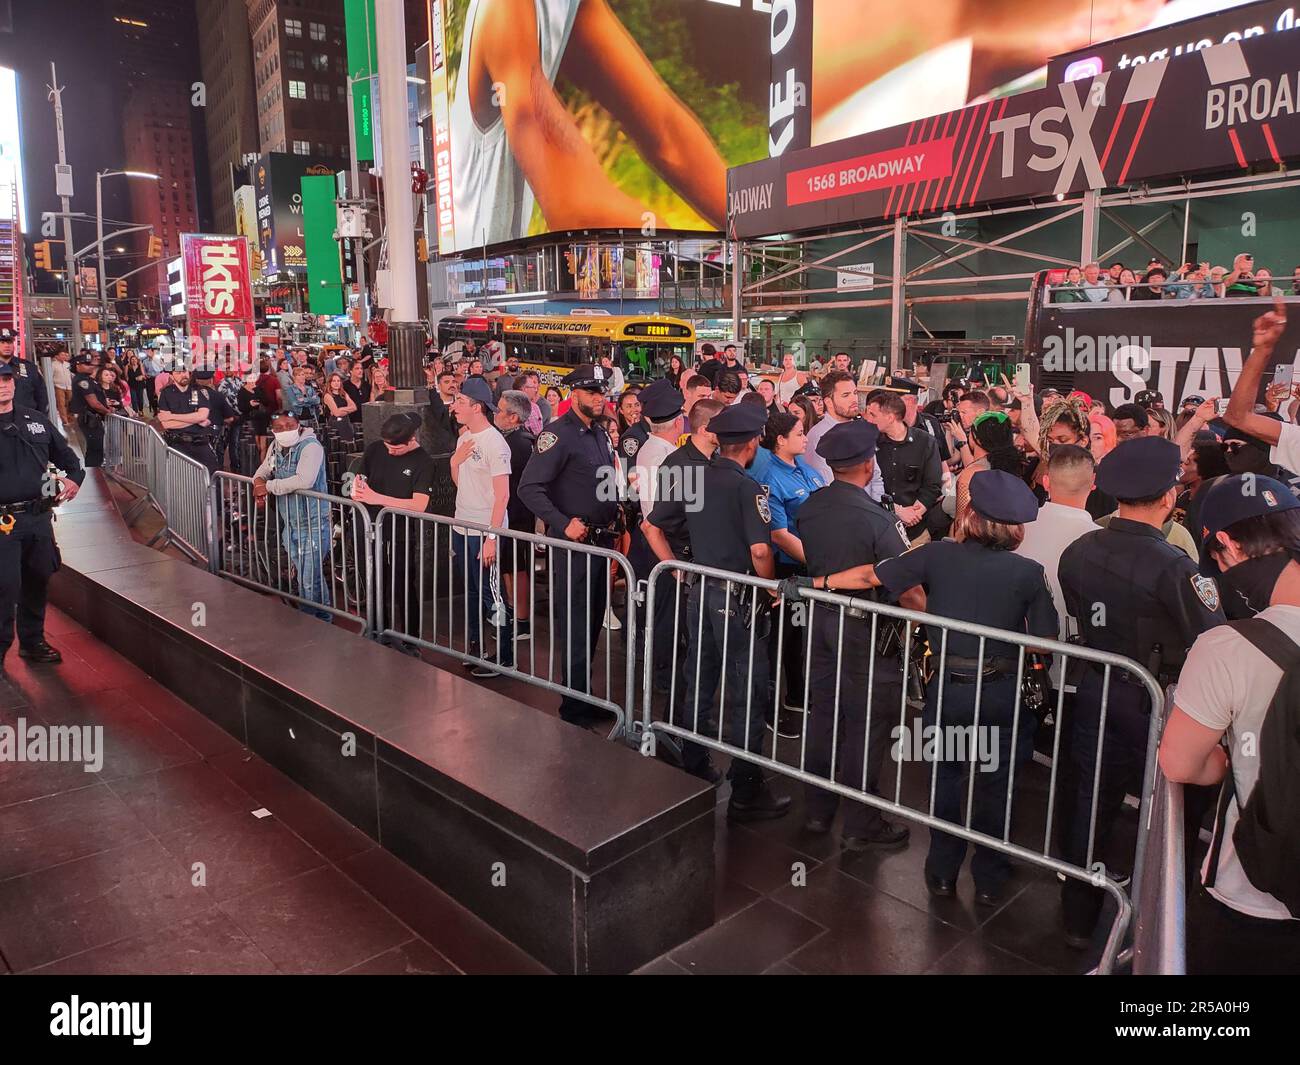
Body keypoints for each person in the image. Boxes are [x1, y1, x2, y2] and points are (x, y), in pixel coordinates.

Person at [1057, 435, 1227, 948]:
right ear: (1168, 497)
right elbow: (1211, 638)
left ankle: (1077, 914)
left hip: (1098, 688)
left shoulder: (1079, 549)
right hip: (1156, 699)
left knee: (1091, 797)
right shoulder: (1177, 566)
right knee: (1171, 809)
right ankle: (1160, 922)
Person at [870, 471, 1057, 904]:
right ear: (1015, 527)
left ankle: (941, 870)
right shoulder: (1029, 572)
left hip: (950, 689)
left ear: (970, 515)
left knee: (946, 779)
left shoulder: (937, 555)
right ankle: (989, 878)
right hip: (1003, 693)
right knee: (997, 784)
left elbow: (884, 576)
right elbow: (1046, 642)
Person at [1159, 475, 1300, 974]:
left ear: (1227, 546)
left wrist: (1223, 759)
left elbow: (1179, 762)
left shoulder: (1228, 647)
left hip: (1253, 895)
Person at [785, 420, 920, 850]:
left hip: (820, 620)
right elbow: (908, 585)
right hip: (864, 628)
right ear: (867, 464)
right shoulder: (876, 519)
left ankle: (819, 811)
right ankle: (861, 821)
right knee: (867, 722)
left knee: (823, 714)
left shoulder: (811, 507)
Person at [674, 401, 791, 821]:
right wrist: (769, 585)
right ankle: (746, 788)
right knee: (747, 689)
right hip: (737, 595)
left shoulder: (692, 479)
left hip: (698, 590)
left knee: (698, 678)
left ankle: (693, 763)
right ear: (753, 443)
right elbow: (760, 549)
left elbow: (657, 522)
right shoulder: (747, 489)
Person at [517, 363, 622, 730]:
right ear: (573, 393)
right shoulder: (557, 435)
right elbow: (529, 488)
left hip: (600, 542)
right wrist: (563, 523)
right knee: (576, 623)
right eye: (592, 392)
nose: (599, 398)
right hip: (574, 545)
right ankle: (572, 705)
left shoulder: (598, 434)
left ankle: (584, 694)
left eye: (602, 392)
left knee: (591, 621)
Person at [0, 362, 84, 674]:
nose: (4, 384)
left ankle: (32, 641)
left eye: (7, 378)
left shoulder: (34, 420)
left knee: (38, 580)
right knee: (4, 587)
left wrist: (74, 479)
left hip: (37, 518)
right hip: (1, 524)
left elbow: (68, 460)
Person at [753, 409, 825, 737]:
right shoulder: (771, 478)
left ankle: (797, 696)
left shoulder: (807, 472)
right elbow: (778, 533)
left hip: (808, 567)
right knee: (777, 640)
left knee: (798, 637)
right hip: (786, 568)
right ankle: (768, 707)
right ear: (780, 440)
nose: (805, 438)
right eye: (799, 433)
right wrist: (817, 560)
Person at [352, 412, 437, 651]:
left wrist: (377, 498)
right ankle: (378, 628)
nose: (390, 451)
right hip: (372, 527)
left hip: (401, 532)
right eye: (388, 446)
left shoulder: (423, 461)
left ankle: (411, 638)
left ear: (411, 440)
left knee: (403, 583)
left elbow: (419, 503)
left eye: (396, 448)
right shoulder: (376, 449)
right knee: (374, 579)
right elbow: (360, 475)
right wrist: (357, 488)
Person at [450, 378, 513, 678]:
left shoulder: (495, 443)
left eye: (460, 402)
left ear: (476, 407)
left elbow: (502, 495)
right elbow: (463, 483)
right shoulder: (463, 440)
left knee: (492, 594)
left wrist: (491, 536)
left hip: (486, 529)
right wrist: (454, 461)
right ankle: (476, 646)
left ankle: (505, 655)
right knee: (471, 591)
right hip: (463, 526)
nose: (454, 406)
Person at [252, 412, 332, 623]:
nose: (284, 430)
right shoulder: (275, 447)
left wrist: (267, 486)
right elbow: (262, 471)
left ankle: (310, 622)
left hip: (314, 521)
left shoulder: (311, 447)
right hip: (291, 521)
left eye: (289, 425)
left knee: (308, 579)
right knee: (310, 577)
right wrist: (259, 481)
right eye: (278, 428)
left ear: (298, 425)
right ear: (272, 430)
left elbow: (304, 480)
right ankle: (324, 616)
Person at [867, 390, 943, 541]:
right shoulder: (870, 443)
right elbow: (869, 487)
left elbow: (932, 486)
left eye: (873, 415)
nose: (868, 419)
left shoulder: (926, 442)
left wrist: (913, 515)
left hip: (916, 531)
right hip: (880, 529)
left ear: (890, 417)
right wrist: (897, 512)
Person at [495, 389, 537, 641]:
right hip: (508, 513)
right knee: (508, 566)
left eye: (500, 410)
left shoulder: (521, 442)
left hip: (518, 513)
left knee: (518, 566)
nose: (495, 415)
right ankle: (511, 610)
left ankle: (522, 620)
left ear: (513, 417)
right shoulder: (509, 439)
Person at [804, 370, 884, 500]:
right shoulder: (817, 437)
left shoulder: (861, 429)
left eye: (855, 393)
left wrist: (878, 509)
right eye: (846, 395)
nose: (854, 399)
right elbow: (826, 486)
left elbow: (876, 477)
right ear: (828, 402)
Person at [155, 361, 221, 474]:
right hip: (177, 444)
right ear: (171, 376)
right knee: (182, 478)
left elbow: (203, 415)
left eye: (184, 371)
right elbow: (166, 423)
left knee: (212, 475)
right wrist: (196, 420)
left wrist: (172, 416)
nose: (183, 375)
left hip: (201, 442)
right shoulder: (166, 394)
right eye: (178, 372)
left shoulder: (199, 390)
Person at [69, 353, 112, 468]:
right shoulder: (83, 381)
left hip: (92, 419)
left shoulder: (88, 379)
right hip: (89, 420)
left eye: (91, 364)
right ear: (77, 366)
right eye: (87, 364)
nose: (91, 366)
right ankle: (93, 475)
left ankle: (94, 474)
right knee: (94, 449)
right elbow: (94, 403)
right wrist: (108, 412)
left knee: (96, 449)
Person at [0, 327, 48, 417]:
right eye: (2, 342)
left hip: (27, 419)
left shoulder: (29, 367)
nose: (7, 345)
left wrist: (41, 418)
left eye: (10, 342)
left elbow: (41, 395)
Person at [321, 371, 358, 445]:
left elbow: (354, 407)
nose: (336, 383)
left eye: (338, 381)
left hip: (346, 423)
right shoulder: (328, 396)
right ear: (330, 383)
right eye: (334, 381)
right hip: (335, 424)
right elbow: (337, 413)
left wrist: (341, 409)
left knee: (349, 445)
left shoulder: (344, 393)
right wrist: (347, 409)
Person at [50, 348, 73, 429]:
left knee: (70, 403)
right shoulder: (52, 364)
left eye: (64, 355)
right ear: (57, 356)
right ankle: (65, 420)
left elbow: (71, 374)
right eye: (62, 355)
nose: (63, 356)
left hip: (69, 386)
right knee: (61, 404)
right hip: (58, 386)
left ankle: (70, 417)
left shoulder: (68, 364)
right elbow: (50, 376)